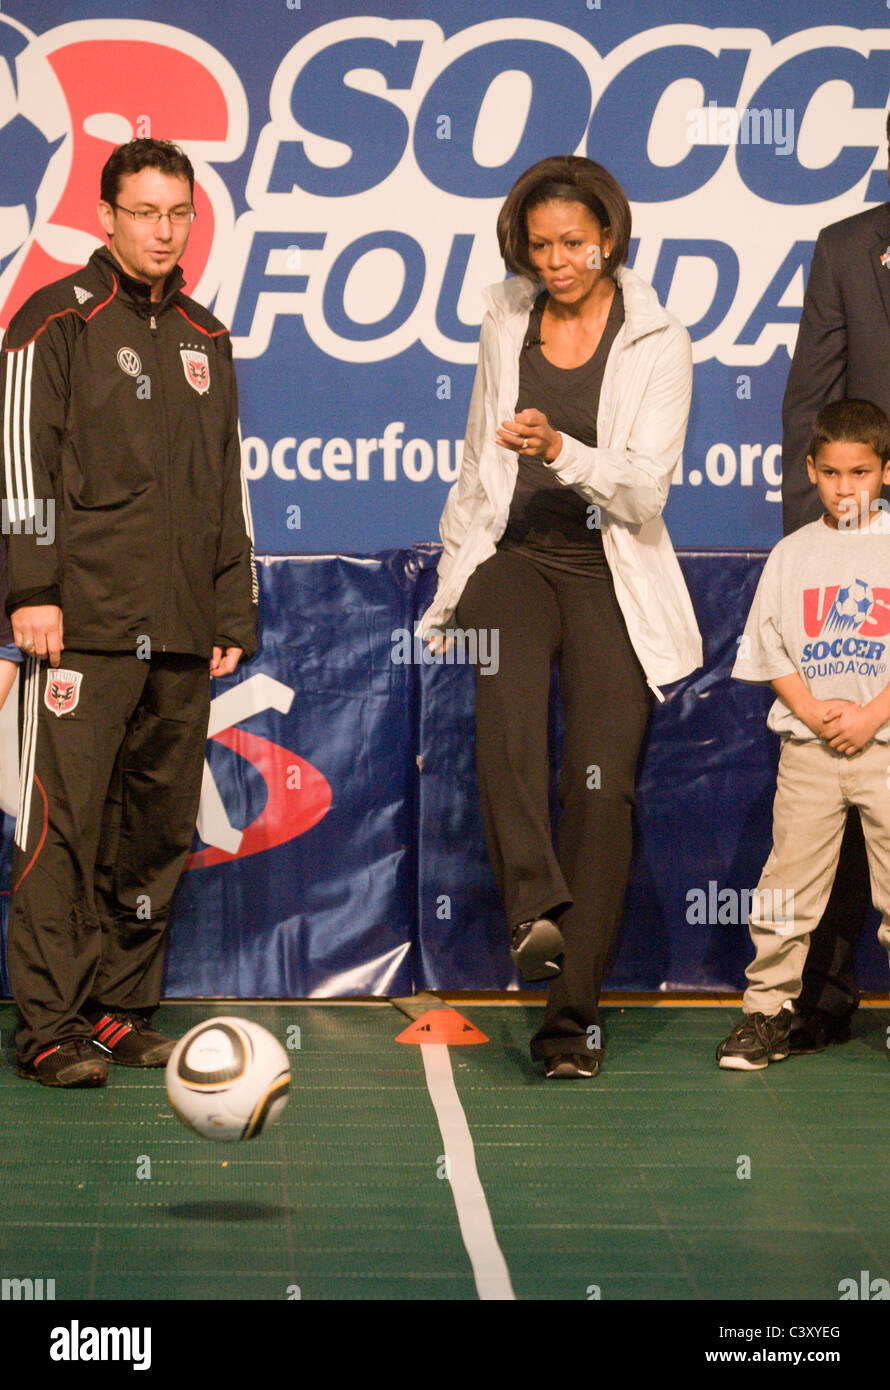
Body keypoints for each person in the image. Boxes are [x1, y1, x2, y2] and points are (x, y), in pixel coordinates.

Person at [419, 155, 702, 1079]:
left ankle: (569, 1022)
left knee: (602, 786)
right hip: (515, 558)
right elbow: (477, 460)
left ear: (609, 237)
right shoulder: (506, 318)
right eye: (539, 246)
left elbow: (645, 490)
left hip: (609, 570)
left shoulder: (660, 337)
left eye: (573, 243)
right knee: (504, 709)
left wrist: (563, 447)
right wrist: (454, 576)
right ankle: (533, 904)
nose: (556, 261)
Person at [1, 138, 258, 1087]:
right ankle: (49, 1025)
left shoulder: (207, 335)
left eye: (178, 212)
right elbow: (19, 466)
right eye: (144, 211)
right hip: (80, 622)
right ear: (105, 217)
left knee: (153, 831)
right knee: (63, 829)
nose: (162, 229)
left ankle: (117, 1010)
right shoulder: (52, 322)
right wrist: (30, 589)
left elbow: (228, 483)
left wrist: (232, 602)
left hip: (185, 626)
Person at [718, 398, 890, 1070]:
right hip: (811, 751)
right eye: (833, 473)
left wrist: (873, 713)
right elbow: (769, 652)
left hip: (883, 747)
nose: (847, 487)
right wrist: (816, 712)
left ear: (884, 471)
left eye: (862, 472)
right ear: (811, 470)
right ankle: (765, 1017)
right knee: (787, 889)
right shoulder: (793, 554)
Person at [779, 111, 890, 1052]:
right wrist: (806, 551)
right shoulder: (849, 247)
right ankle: (826, 990)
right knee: (849, 765)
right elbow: (811, 405)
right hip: (859, 557)